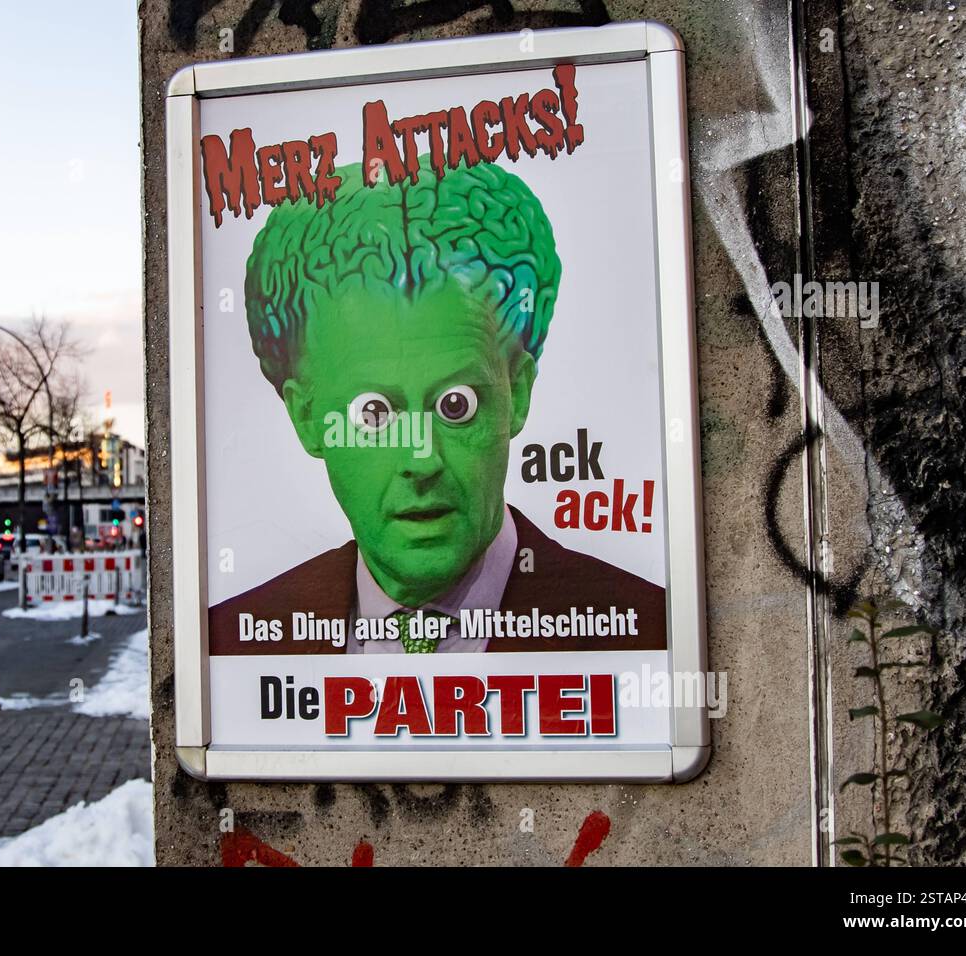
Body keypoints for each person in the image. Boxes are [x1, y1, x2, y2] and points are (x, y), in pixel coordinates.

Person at [209, 156, 665, 655]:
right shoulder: (237, 642)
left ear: (518, 392)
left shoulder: (642, 631)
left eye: (455, 405)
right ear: (306, 416)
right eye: (374, 415)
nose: (420, 460)